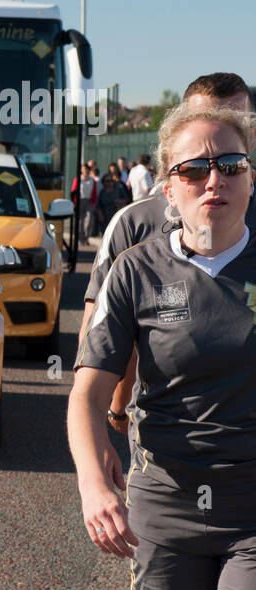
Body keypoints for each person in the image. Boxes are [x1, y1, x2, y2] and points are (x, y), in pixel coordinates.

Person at [70, 103, 256, 590]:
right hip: (166, 506)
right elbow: (87, 394)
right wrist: (94, 486)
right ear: (167, 189)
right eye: (194, 170)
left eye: (230, 164)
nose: (214, 180)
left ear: (252, 177)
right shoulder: (135, 271)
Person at [79, 73, 255, 437]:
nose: (222, 131)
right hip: (161, 447)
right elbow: (98, 338)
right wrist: (114, 410)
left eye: (240, 121)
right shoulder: (134, 223)